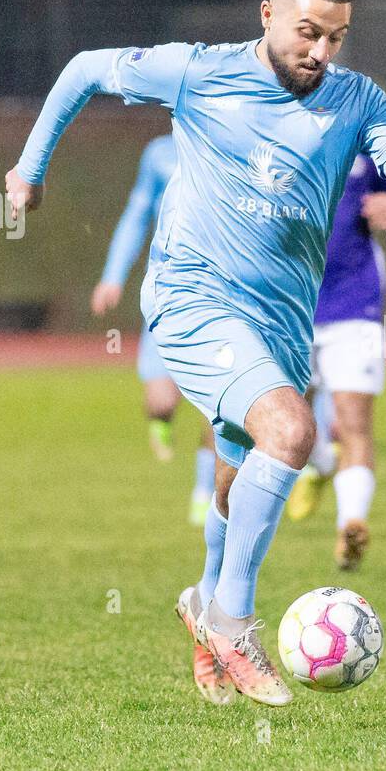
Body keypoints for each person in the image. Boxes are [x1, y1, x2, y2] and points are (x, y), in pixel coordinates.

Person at [4, 0, 386, 707]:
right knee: (292, 431)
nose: (321, 51)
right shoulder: (200, 74)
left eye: (336, 38)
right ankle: (233, 621)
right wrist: (29, 169)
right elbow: (85, 68)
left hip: (280, 321)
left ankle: (203, 601)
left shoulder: (356, 99)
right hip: (191, 299)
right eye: (308, 32)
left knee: (236, 472)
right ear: (267, 17)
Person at [285, 153, 386, 571]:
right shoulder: (269, 120)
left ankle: (350, 524)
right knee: (288, 426)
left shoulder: (363, 135)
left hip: (354, 305)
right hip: (287, 305)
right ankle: (320, 464)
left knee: (354, 421)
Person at [90, 133, 216, 524]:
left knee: (217, 409)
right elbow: (136, 214)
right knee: (162, 401)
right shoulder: (159, 154)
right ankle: (160, 423)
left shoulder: (235, 142)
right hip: (167, 296)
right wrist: (113, 277)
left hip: (219, 298)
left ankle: (204, 493)